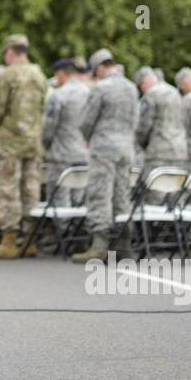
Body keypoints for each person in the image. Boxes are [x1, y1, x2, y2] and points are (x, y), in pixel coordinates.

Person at [0, 35, 48, 260]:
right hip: (33, 139)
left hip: (8, 140)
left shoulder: (8, 75)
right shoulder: (39, 75)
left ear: (10, 51)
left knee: (6, 189)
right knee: (31, 188)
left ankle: (8, 240)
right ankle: (30, 241)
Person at [71, 49, 138, 263]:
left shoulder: (101, 88)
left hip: (104, 146)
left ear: (100, 67)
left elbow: (87, 120)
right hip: (126, 146)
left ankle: (99, 246)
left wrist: (87, 137)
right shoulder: (131, 87)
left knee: (100, 194)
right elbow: (136, 118)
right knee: (122, 194)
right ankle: (124, 245)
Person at [41, 58, 90, 207]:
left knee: (59, 197)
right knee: (79, 196)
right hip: (83, 152)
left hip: (61, 154)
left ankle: (61, 230)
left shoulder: (59, 95)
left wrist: (46, 144)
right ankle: (76, 229)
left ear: (62, 74)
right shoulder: (90, 93)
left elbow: (49, 127)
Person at [134, 66, 187, 176]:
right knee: (172, 190)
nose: (141, 90)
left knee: (154, 190)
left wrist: (139, 144)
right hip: (179, 151)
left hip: (158, 153)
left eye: (140, 86)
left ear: (144, 82)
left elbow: (143, 127)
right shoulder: (175, 92)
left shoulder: (151, 94)